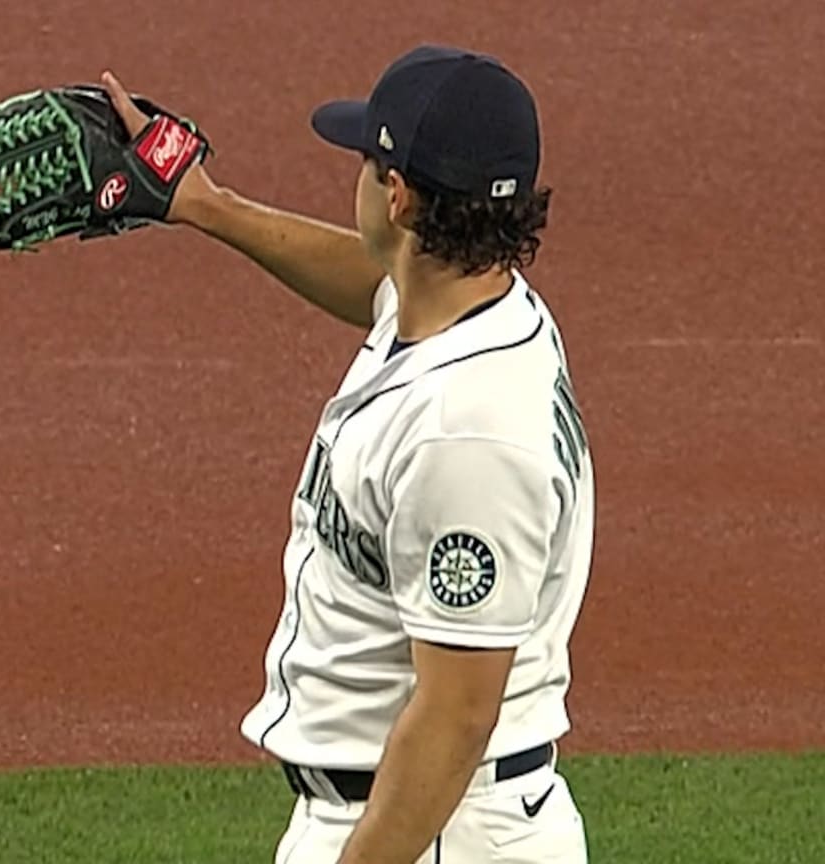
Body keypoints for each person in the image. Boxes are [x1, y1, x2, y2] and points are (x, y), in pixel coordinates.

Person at [98, 44, 595, 864]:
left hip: (435, 831)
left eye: (367, 161)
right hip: (418, 818)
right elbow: (376, 284)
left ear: (397, 195)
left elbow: (458, 714)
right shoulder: (471, 304)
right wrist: (205, 204)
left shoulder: (465, 433)